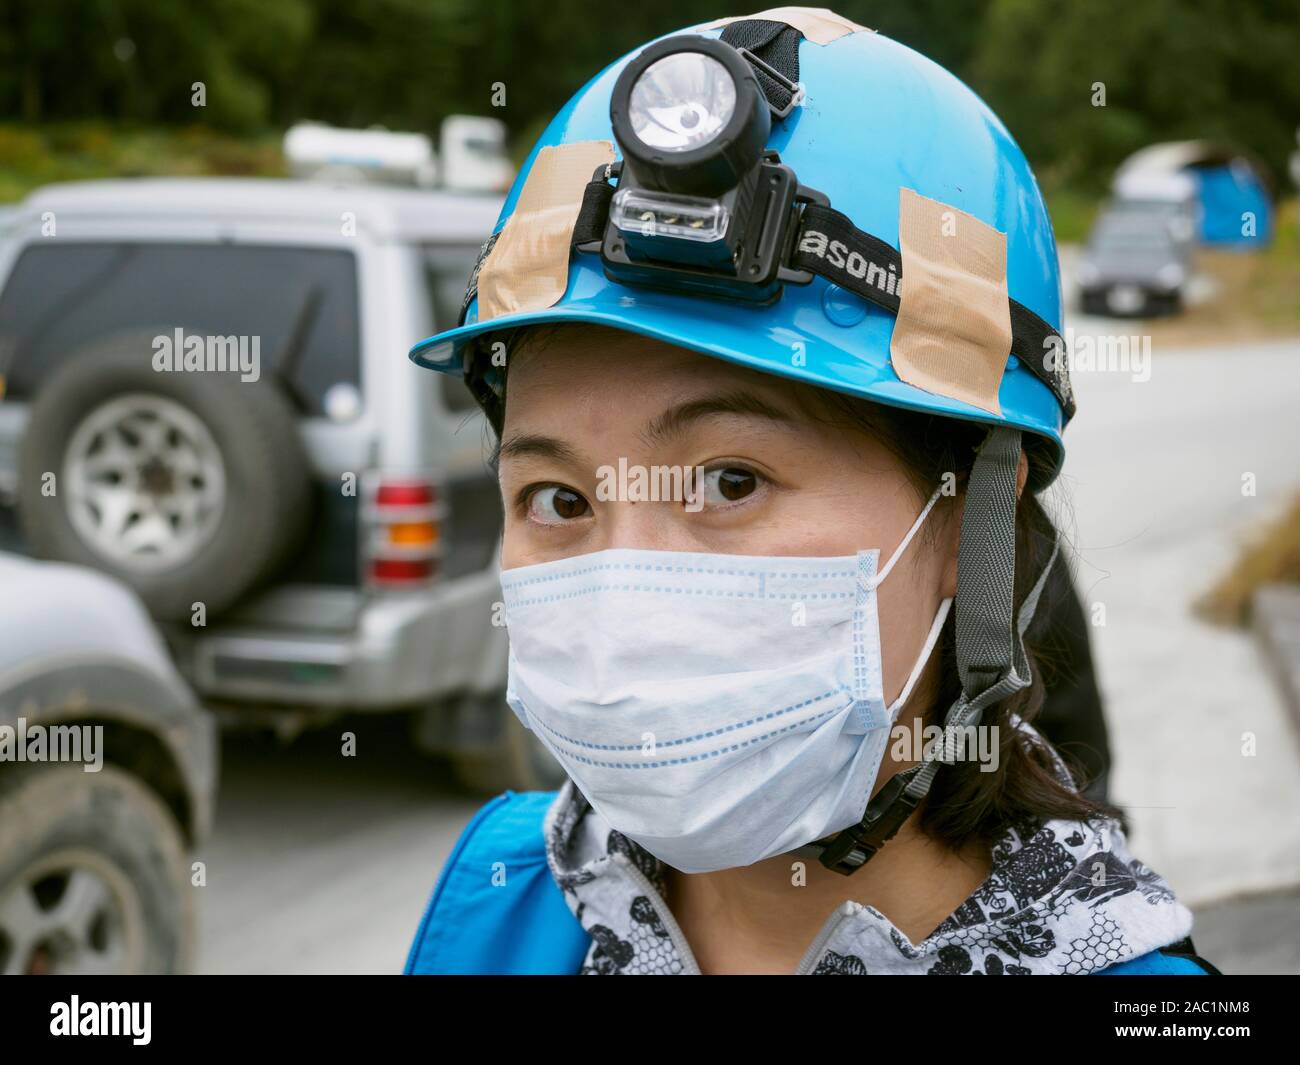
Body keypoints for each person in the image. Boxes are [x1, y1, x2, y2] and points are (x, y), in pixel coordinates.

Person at [404, 9, 1215, 975]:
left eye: (730, 480)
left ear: (971, 519)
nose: (626, 588)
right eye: (559, 498)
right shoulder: (496, 897)